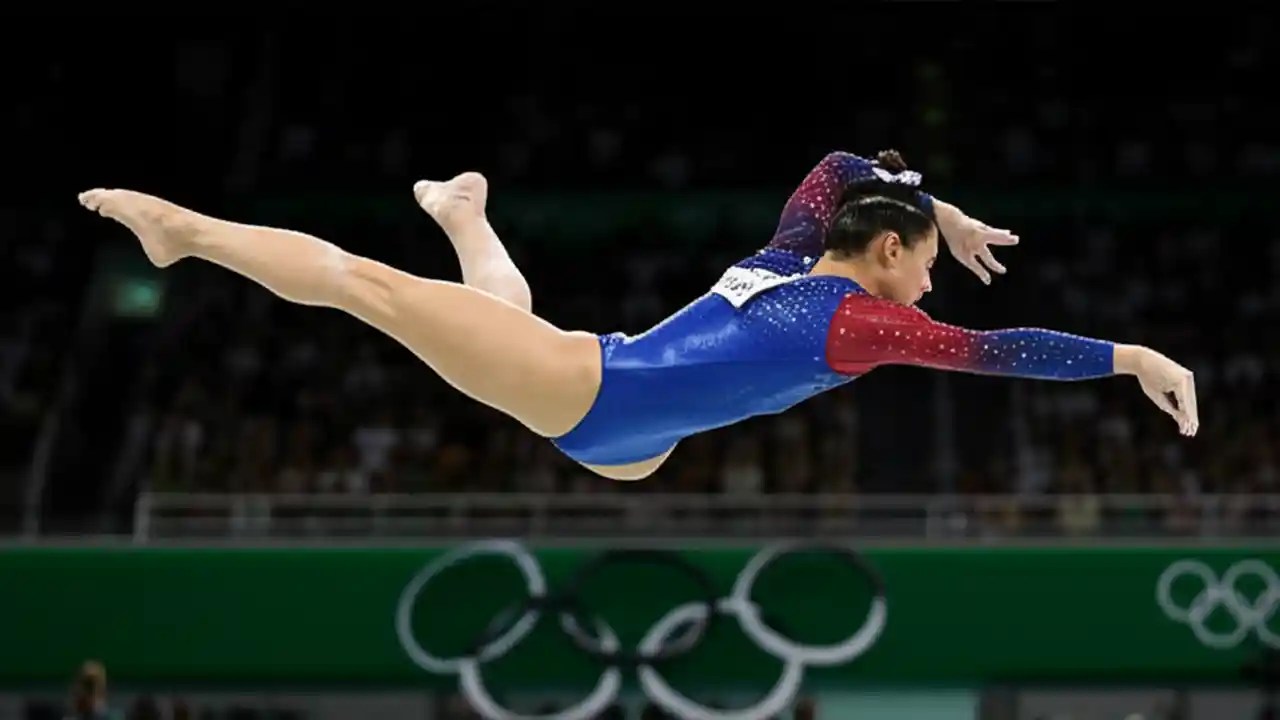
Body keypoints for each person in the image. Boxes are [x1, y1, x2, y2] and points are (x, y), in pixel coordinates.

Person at [78, 149, 1198, 482]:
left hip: (621, 419)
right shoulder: (855, 317)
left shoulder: (794, 250)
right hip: (604, 402)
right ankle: (186, 228)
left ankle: (469, 217)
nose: (933, 286)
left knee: (494, 332)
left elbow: (837, 165)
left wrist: (932, 206)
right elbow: (997, 351)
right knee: (374, 291)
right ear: (888, 249)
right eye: (926, 259)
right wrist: (1131, 353)